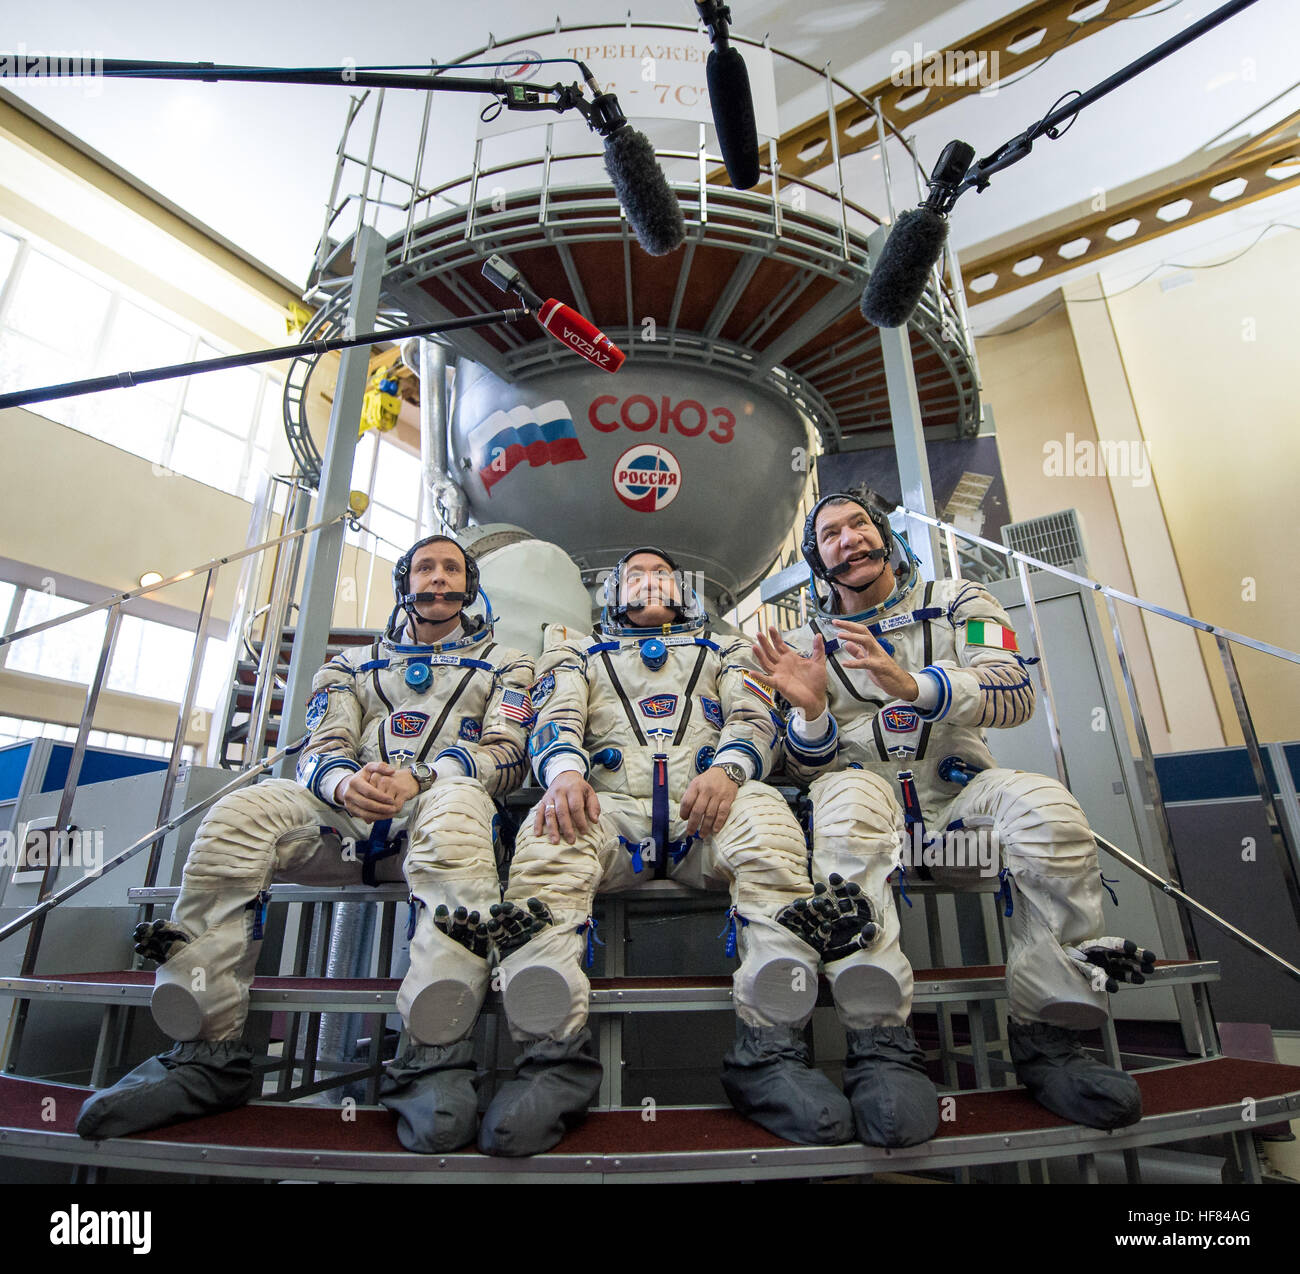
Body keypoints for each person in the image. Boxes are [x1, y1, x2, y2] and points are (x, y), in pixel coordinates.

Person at [76, 535, 535, 1152]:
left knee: (458, 811)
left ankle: (433, 1059)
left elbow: (507, 758)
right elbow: (321, 751)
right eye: (425, 567)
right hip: (348, 810)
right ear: (405, 582)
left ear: (470, 585)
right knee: (240, 812)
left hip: (443, 802)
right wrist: (346, 783)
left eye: (452, 568)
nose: (438, 578)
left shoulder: (508, 663)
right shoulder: (348, 667)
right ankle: (204, 1055)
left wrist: (419, 776)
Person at [753, 491, 1156, 1136]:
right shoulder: (806, 645)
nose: (848, 539)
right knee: (843, 801)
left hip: (959, 818)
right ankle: (880, 1044)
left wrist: (914, 686)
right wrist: (809, 714)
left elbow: (1014, 690)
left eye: (859, 524)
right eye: (829, 534)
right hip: (869, 813)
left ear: (882, 534)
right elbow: (801, 769)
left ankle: (1050, 1036)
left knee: (1048, 811)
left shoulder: (962, 602)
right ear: (815, 557)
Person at [478, 547, 876, 1156]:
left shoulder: (728, 650)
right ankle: (549, 1058)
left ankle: (771, 1053)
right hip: (611, 811)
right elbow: (555, 721)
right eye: (634, 575)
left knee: (768, 819)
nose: (650, 582)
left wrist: (732, 771)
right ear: (612, 595)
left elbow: (752, 716)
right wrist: (561, 774)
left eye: (662, 574)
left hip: (707, 806)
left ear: (686, 591)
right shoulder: (574, 651)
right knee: (547, 831)